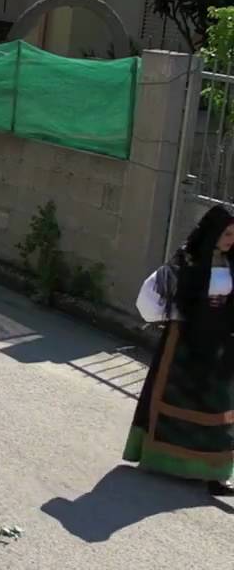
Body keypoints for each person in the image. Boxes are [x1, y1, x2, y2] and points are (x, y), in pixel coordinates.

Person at [127, 205, 234, 496]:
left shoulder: (232, 263)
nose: (230, 239)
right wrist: (175, 314)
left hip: (219, 347)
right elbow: (150, 298)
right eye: (226, 233)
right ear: (212, 232)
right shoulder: (185, 262)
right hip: (183, 344)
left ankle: (216, 476)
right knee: (176, 400)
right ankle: (164, 459)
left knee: (218, 408)